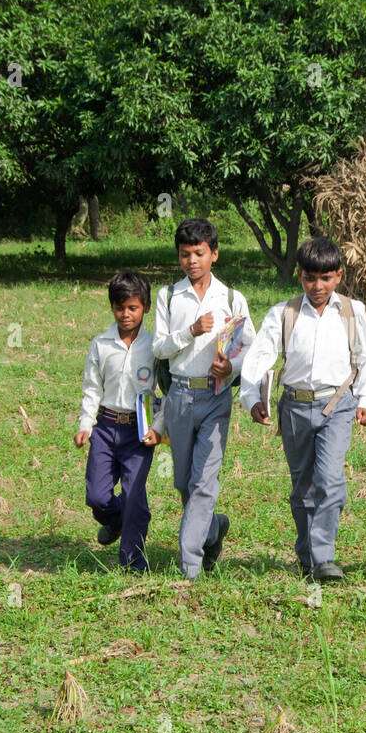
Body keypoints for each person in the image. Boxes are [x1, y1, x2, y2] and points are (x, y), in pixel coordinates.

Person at [241, 238, 366, 581]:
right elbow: (259, 356)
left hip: (338, 405)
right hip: (295, 408)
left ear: (339, 276)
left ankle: (323, 557)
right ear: (299, 276)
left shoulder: (352, 311)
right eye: (310, 278)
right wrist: (251, 397)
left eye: (327, 278)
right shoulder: (283, 313)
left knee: (330, 480)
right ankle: (306, 554)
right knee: (302, 485)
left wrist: (364, 399)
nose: (318, 287)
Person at [153, 218, 254, 579]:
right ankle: (213, 528)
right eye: (185, 254)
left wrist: (230, 367)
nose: (192, 260)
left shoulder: (230, 298)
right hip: (178, 396)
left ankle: (190, 563)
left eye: (199, 253)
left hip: (216, 398)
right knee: (183, 482)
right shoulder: (168, 296)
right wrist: (190, 331)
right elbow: (159, 347)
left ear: (214, 253)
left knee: (203, 482)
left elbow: (247, 347)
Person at [74, 271, 162, 573]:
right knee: (97, 496)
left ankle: (133, 561)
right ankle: (116, 519)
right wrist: (86, 425)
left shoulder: (155, 347)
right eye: (119, 307)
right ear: (112, 307)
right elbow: (91, 387)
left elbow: (165, 390)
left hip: (139, 430)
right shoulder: (101, 344)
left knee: (134, 494)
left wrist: (158, 427)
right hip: (105, 427)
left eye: (133, 308)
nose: (125, 314)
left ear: (146, 307)